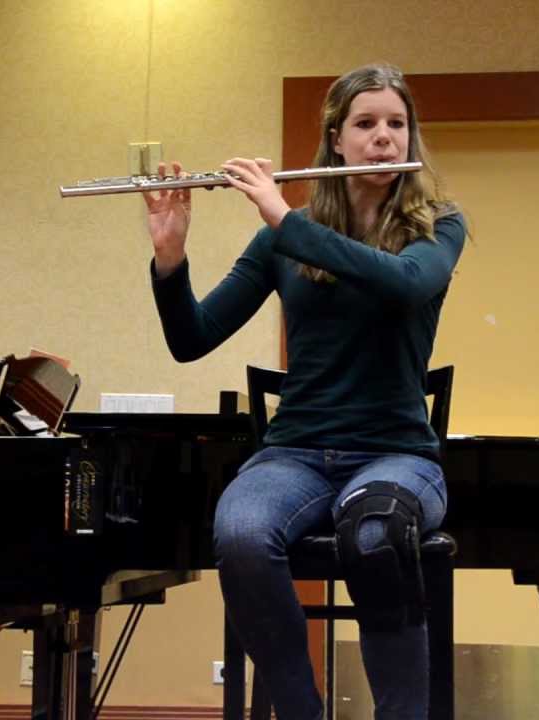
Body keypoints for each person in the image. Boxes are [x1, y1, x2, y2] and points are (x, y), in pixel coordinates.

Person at [145, 63, 466, 720]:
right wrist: (170, 259)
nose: (384, 138)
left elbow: (402, 283)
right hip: (295, 455)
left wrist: (283, 218)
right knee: (239, 532)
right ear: (336, 139)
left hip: (396, 453)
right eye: (366, 124)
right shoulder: (280, 241)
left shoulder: (437, 227)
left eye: (397, 124)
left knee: (375, 534)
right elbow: (192, 338)